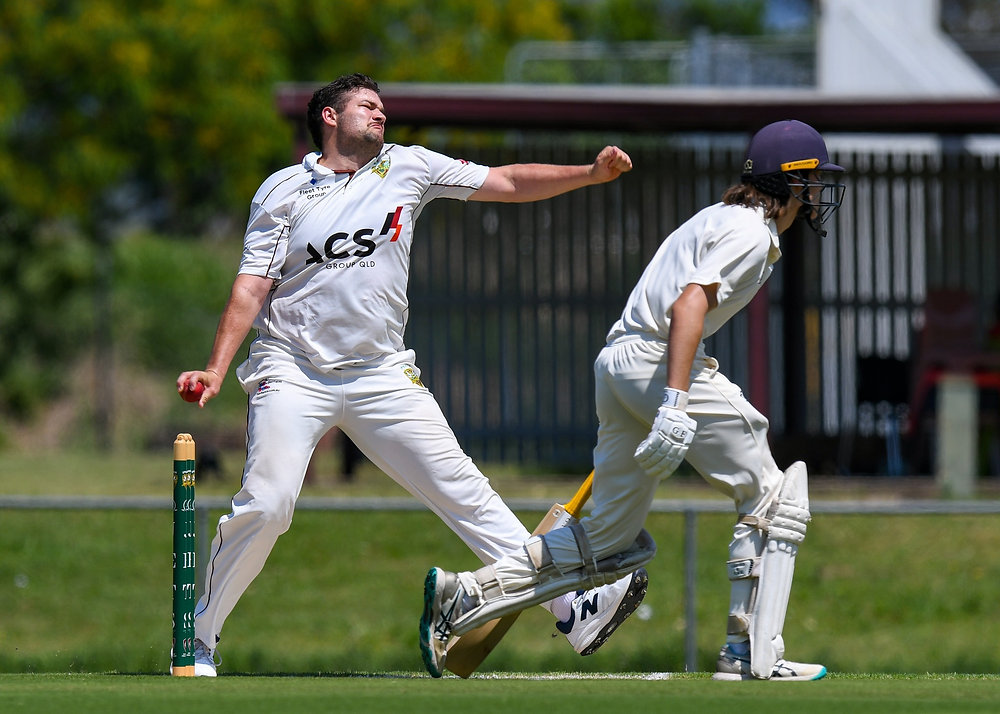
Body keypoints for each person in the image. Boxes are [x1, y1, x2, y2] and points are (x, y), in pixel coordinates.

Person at [175, 73, 645, 676]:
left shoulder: (407, 166)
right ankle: (196, 638)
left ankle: (572, 606)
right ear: (327, 117)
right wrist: (216, 369)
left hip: (380, 374)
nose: (380, 114)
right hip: (291, 368)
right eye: (366, 106)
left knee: (467, 493)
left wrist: (587, 174)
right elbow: (253, 285)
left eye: (382, 107)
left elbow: (502, 180)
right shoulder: (283, 190)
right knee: (269, 504)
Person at [420, 119, 847, 682]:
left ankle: (466, 592)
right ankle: (747, 652)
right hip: (654, 363)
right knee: (770, 495)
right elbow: (689, 305)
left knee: (609, 538)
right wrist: (674, 402)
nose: (818, 194)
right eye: (812, 180)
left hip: (618, 363)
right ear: (788, 183)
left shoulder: (715, 217)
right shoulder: (752, 232)